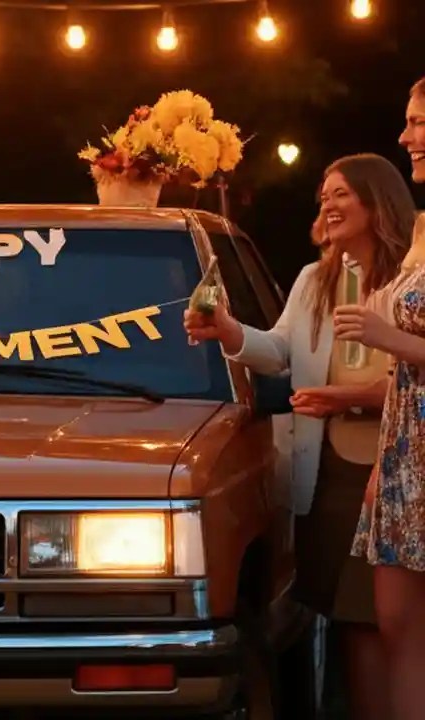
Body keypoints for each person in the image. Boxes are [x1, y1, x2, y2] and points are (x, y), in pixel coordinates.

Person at [185, 153, 416, 719]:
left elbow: (408, 379)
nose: (328, 205)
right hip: (333, 471)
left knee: (393, 625)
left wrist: (350, 399)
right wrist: (228, 332)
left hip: (401, 463)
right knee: (349, 619)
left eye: (340, 194)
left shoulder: (414, 280)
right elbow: (280, 351)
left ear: (376, 200)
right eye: (323, 196)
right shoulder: (317, 280)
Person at [340, 76, 425, 720]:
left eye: (419, 121)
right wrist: (379, 466)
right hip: (404, 459)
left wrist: (387, 336)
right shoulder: (422, 230)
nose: (405, 136)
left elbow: (402, 345)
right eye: (406, 120)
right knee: (395, 628)